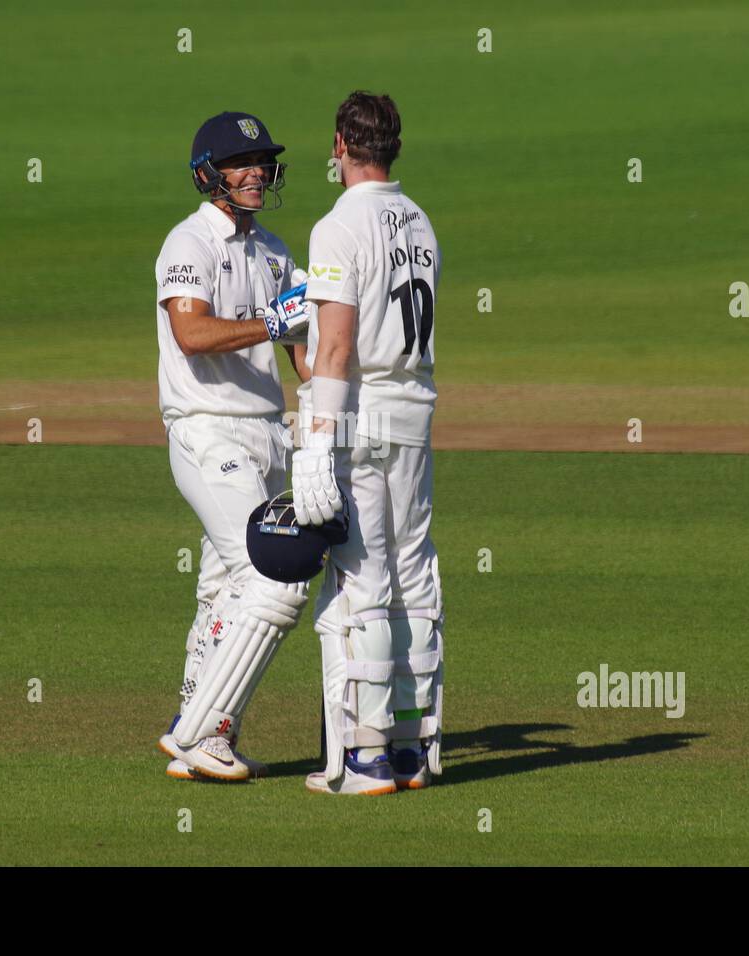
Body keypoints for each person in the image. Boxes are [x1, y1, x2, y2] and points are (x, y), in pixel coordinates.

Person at [292, 92, 443, 796]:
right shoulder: (420, 222)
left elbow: (337, 346)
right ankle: (414, 750)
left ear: (339, 147)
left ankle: (366, 756)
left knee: (363, 583)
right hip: (417, 413)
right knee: (414, 578)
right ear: (395, 147)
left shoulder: (338, 225)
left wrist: (317, 443)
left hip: (364, 416)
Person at [153, 111, 312, 782]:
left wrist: (335, 404)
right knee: (270, 572)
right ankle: (205, 734)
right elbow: (192, 334)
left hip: (268, 432)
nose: (256, 173)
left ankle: (188, 721)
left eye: (262, 161)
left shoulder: (274, 250)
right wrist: (270, 321)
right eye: (241, 163)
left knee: (223, 585)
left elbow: (302, 347)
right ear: (206, 174)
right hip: (206, 427)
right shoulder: (188, 243)